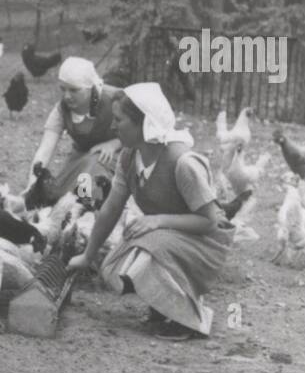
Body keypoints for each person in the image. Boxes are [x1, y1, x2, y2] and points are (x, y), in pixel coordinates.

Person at [67, 82, 233, 340]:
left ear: (144, 124)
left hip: (206, 244)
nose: (112, 127)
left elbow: (210, 222)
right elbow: (111, 207)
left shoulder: (183, 163)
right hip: (172, 237)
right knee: (115, 261)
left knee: (147, 246)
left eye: (119, 120)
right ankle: (162, 305)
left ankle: (189, 320)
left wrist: (157, 220)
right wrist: (88, 256)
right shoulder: (129, 157)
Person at [28, 57, 123, 198]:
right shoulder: (61, 109)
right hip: (82, 157)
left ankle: (86, 208)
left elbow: (145, 127)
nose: (67, 96)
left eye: (74, 90)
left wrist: (114, 144)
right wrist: (32, 184)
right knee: (58, 195)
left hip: (116, 155)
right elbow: (44, 150)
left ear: (91, 87)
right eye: (63, 89)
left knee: (88, 190)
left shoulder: (114, 98)